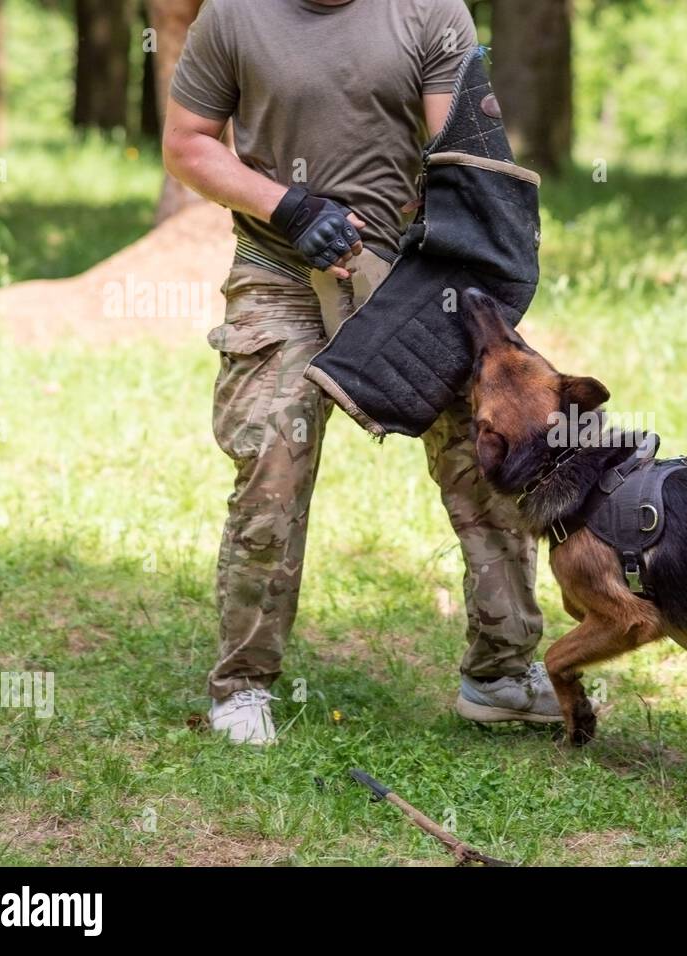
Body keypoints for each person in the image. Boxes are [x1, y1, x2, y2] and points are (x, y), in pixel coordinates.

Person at [162, 0, 560, 744]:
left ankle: (501, 674)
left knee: (494, 451)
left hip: (413, 277)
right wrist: (286, 206)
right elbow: (187, 146)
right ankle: (242, 688)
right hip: (279, 272)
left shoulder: (432, 11)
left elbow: (461, 155)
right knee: (271, 470)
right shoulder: (232, 15)